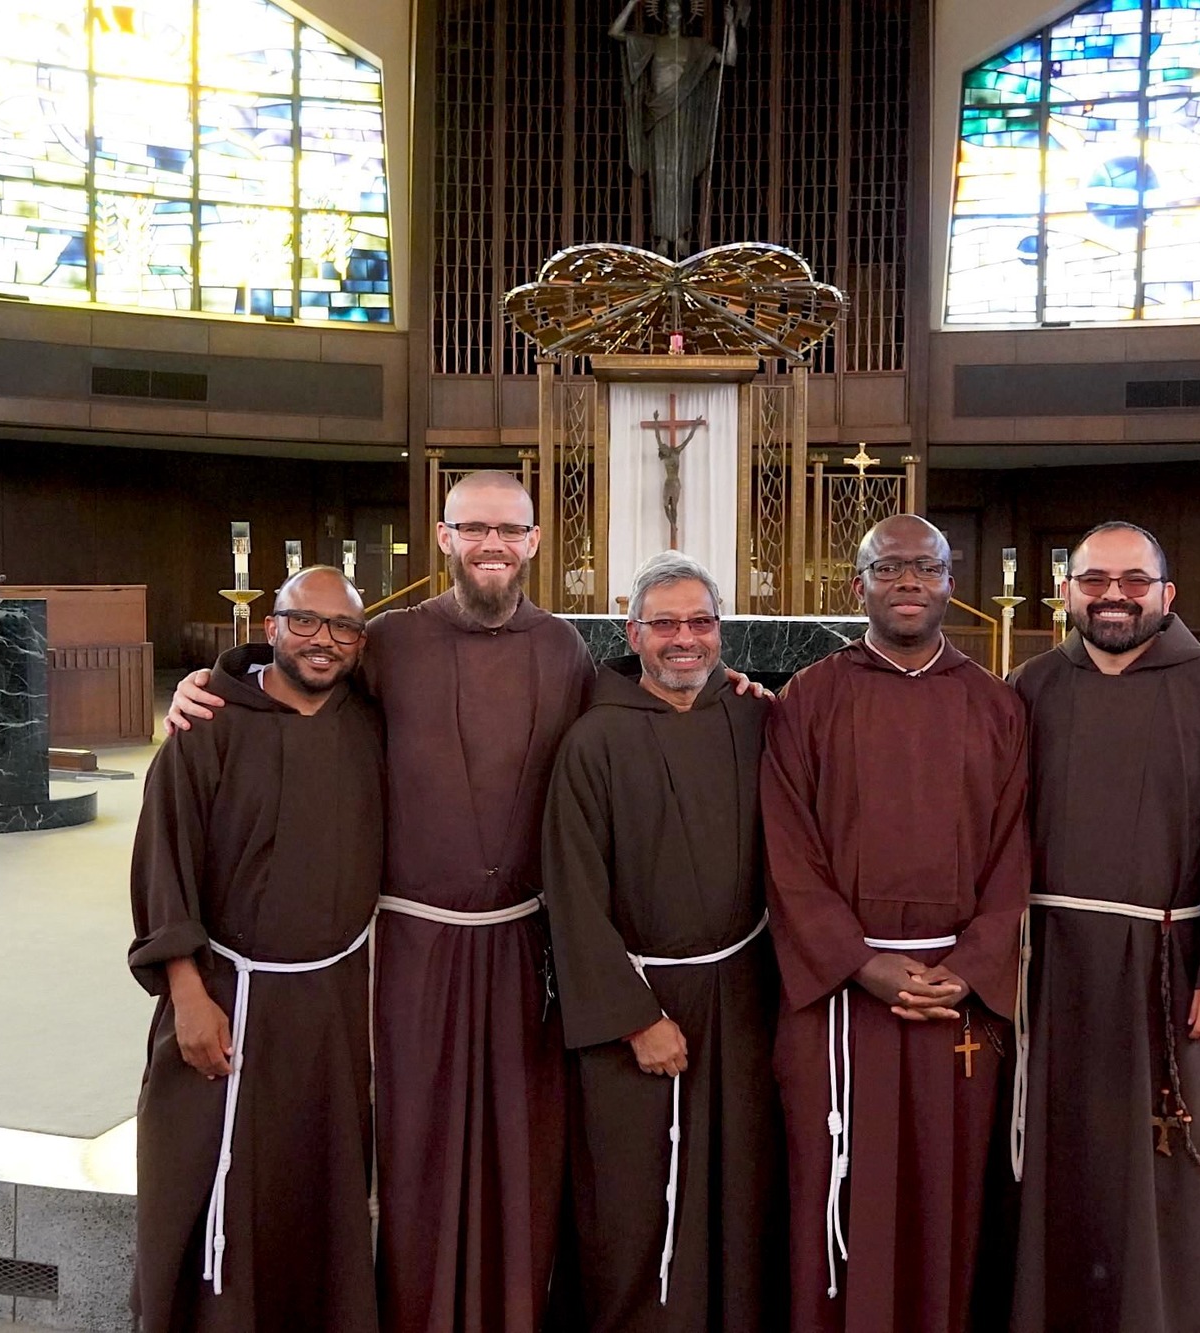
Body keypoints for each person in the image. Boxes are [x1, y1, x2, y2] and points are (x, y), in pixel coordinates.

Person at [165, 475, 767, 1333]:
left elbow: (646, 703)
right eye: (474, 527)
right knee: (416, 1149)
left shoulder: (563, 647)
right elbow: (304, 680)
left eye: (509, 529)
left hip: (523, 946)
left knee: (525, 1151)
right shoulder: (390, 642)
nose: (493, 543)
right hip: (416, 946)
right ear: (444, 536)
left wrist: (730, 682)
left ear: (533, 542)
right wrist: (220, 678)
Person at [1007, 521, 1200, 1333]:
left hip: (1166, 964)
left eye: (1134, 580)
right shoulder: (1030, 687)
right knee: (1056, 1159)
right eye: (1095, 580)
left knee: (1160, 1163)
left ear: (1166, 594)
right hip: (1048, 965)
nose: (1114, 595)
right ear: (1067, 592)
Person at [762, 514, 1029, 1333]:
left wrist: (974, 963)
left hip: (957, 1001)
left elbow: (1016, 850)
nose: (908, 581)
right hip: (843, 1000)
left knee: (946, 1196)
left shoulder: (997, 705)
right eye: (888, 568)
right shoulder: (808, 699)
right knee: (835, 1188)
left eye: (926, 567)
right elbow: (786, 850)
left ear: (951, 583)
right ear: (859, 586)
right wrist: (859, 961)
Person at [129, 565, 384, 1333]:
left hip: (331, 1007)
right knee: (206, 1180)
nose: (323, 640)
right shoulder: (207, 725)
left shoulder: (370, 726)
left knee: (319, 1189)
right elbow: (164, 864)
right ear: (270, 627)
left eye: (343, 627)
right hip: (226, 996)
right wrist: (187, 995)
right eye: (305, 621)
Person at [542, 551, 782, 1333]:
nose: (686, 638)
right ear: (632, 632)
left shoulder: (753, 718)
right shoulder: (593, 741)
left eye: (701, 622)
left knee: (740, 1193)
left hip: (742, 998)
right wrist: (634, 1018)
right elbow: (573, 894)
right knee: (634, 1201)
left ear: (721, 630)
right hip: (636, 1010)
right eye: (666, 623)